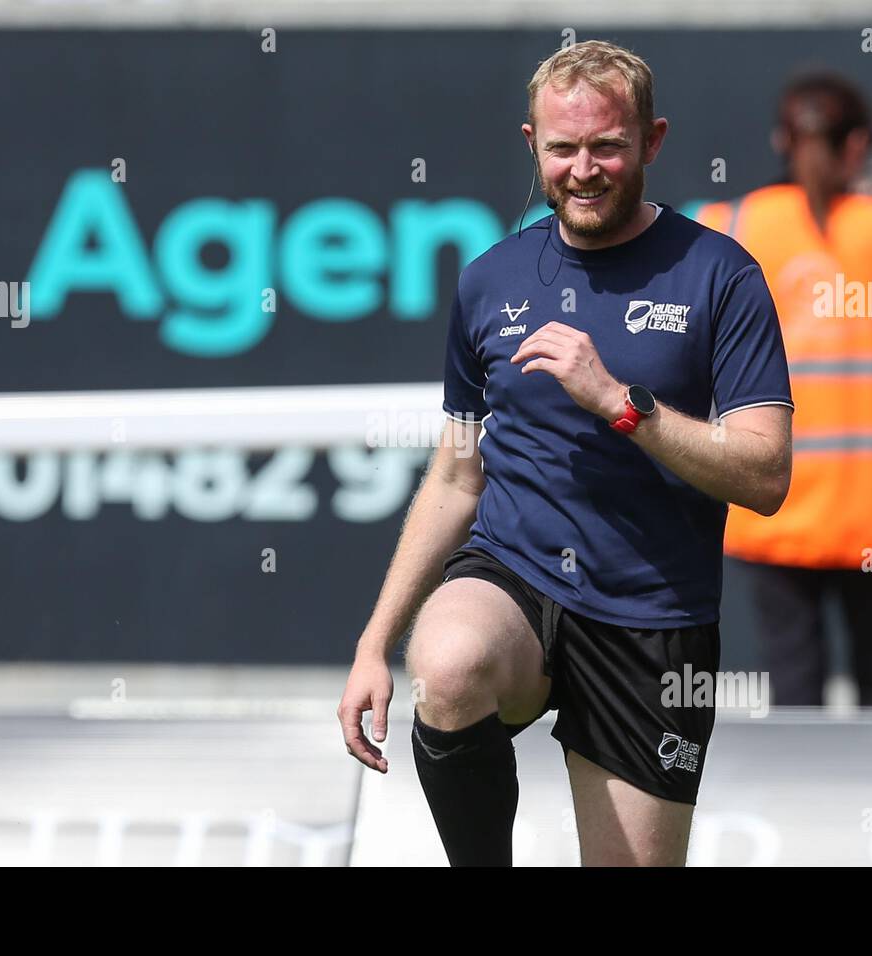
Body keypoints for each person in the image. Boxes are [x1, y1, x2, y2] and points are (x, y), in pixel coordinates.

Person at [337, 40, 793, 866]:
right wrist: (375, 642)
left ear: (652, 141)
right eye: (564, 148)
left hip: (655, 621)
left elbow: (765, 475)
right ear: (532, 145)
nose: (585, 170)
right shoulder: (488, 280)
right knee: (447, 663)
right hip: (517, 574)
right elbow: (455, 470)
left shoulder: (721, 275)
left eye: (608, 146)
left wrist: (623, 404)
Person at [697, 72, 872, 708]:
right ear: (860, 145)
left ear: (780, 140)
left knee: (793, 686)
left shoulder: (729, 226)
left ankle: (801, 809)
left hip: (774, 497)